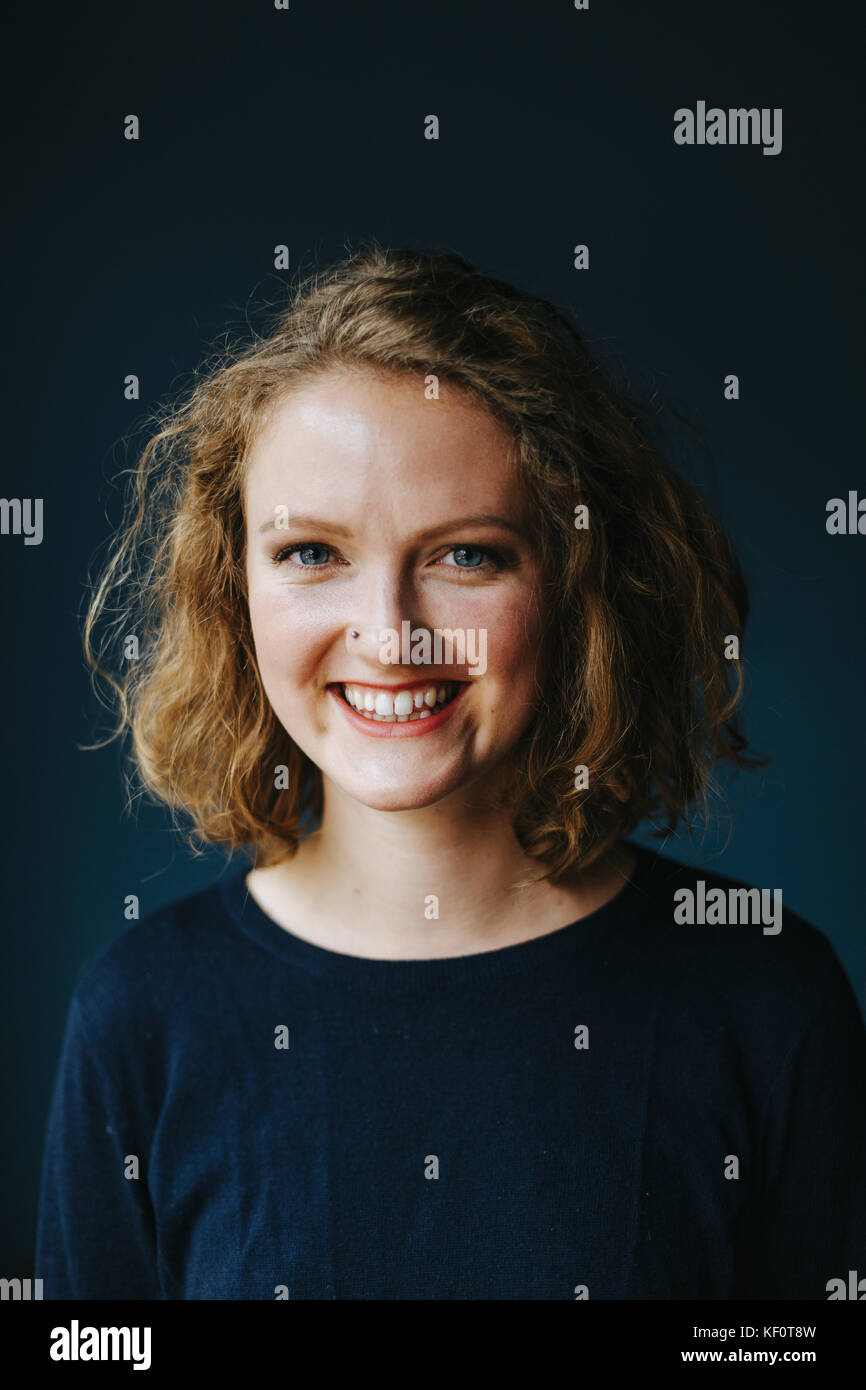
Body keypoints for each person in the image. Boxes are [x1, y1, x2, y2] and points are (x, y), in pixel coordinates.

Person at [35, 242, 866, 1299]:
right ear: (230, 588)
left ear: (576, 585)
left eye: (466, 554)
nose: (390, 637)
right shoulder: (138, 1014)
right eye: (310, 554)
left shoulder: (766, 993)